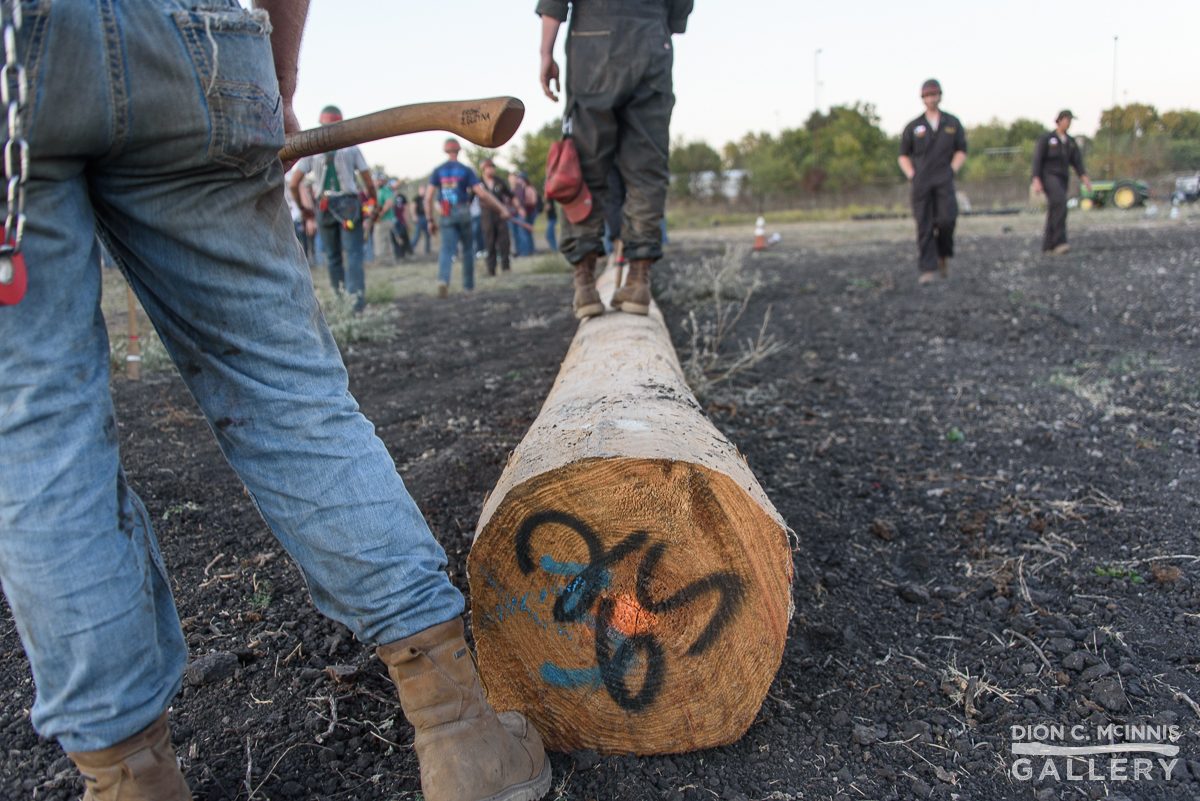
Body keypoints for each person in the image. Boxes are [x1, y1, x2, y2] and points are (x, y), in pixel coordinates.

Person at [0, 3, 552, 801]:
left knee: (35, 431)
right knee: (290, 391)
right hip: (197, 39)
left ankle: (129, 778)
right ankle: (461, 730)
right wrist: (274, 72)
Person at [538, 0, 692, 317]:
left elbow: (554, 4)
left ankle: (585, 286)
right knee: (647, 168)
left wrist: (546, 54)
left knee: (582, 167)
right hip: (653, 35)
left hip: (592, 39)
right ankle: (638, 281)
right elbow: (679, 15)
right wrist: (654, 35)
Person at [289, 106, 379, 309]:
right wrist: (374, 200)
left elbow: (294, 183)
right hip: (348, 205)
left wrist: (303, 209)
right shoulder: (351, 147)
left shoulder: (311, 147)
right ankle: (355, 305)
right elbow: (368, 180)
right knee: (354, 254)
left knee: (332, 257)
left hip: (324, 205)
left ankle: (341, 302)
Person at [898, 79, 967, 284]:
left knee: (947, 219)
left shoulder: (952, 123)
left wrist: (952, 169)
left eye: (934, 94)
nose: (931, 98)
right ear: (923, 98)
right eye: (928, 95)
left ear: (940, 96)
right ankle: (928, 268)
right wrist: (912, 174)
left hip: (943, 178)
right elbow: (903, 154)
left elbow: (961, 150)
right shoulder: (913, 126)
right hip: (922, 181)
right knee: (924, 224)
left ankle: (942, 255)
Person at [426, 138, 511, 297]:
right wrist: (502, 208)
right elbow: (482, 193)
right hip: (463, 210)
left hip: (445, 212)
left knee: (446, 249)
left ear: (446, 151)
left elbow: (429, 197)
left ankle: (443, 280)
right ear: (458, 151)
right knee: (467, 249)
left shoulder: (438, 171)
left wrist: (430, 219)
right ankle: (468, 286)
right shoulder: (465, 170)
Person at [1032, 110, 1092, 256]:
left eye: (1070, 120)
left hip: (1062, 178)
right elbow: (1037, 160)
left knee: (1055, 209)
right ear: (1059, 120)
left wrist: (1084, 178)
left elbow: (1077, 162)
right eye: (1066, 120)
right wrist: (1036, 179)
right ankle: (1060, 242)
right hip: (1048, 176)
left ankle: (1048, 246)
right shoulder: (1047, 139)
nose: (1068, 123)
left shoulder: (1070, 142)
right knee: (1060, 203)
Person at [479, 158, 515, 275]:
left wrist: (519, 208)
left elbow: (511, 196)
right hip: (486, 216)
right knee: (489, 243)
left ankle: (506, 268)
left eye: (493, 167)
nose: (492, 169)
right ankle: (491, 269)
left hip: (501, 215)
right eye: (489, 167)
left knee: (504, 241)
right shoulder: (478, 183)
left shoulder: (500, 181)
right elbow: (469, 199)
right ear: (483, 169)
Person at [386, 178, 413, 259]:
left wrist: (406, 221)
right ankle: (397, 255)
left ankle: (406, 253)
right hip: (391, 221)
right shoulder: (388, 196)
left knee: (405, 237)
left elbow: (405, 210)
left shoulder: (401, 197)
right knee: (394, 239)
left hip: (401, 221)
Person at [411, 184, 432, 255]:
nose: (424, 191)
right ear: (419, 190)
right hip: (419, 218)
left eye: (424, 189)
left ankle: (427, 250)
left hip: (426, 218)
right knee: (417, 234)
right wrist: (414, 216)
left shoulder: (426, 198)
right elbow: (412, 207)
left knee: (428, 234)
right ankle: (410, 248)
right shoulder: (416, 198)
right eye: (422, 189)